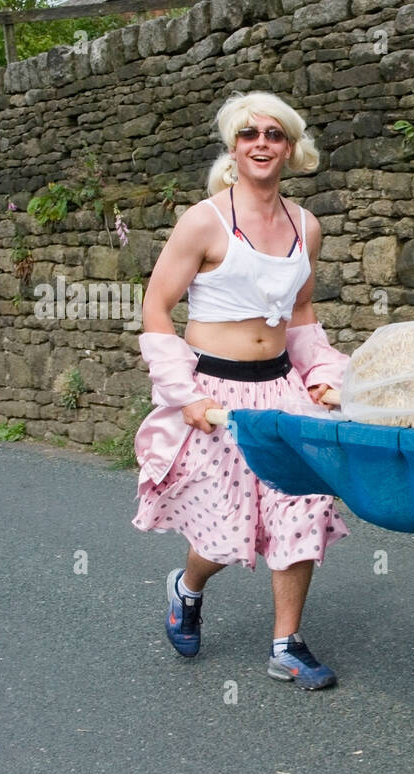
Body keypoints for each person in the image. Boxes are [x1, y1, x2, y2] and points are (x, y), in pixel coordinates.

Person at [132, 91, 350, 690]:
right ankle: (189, 585)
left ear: (290, 147)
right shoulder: (203, 220)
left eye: (274, 134)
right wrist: (185, 395)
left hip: (281, 390)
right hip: (215, 395)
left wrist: (322, 378)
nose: (261, 143)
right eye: (249, 133)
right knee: (227, 532)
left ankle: (287, 644)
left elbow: (301, 317)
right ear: (234, 146)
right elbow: (156, 306)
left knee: (303, 507)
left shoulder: (308, 226)